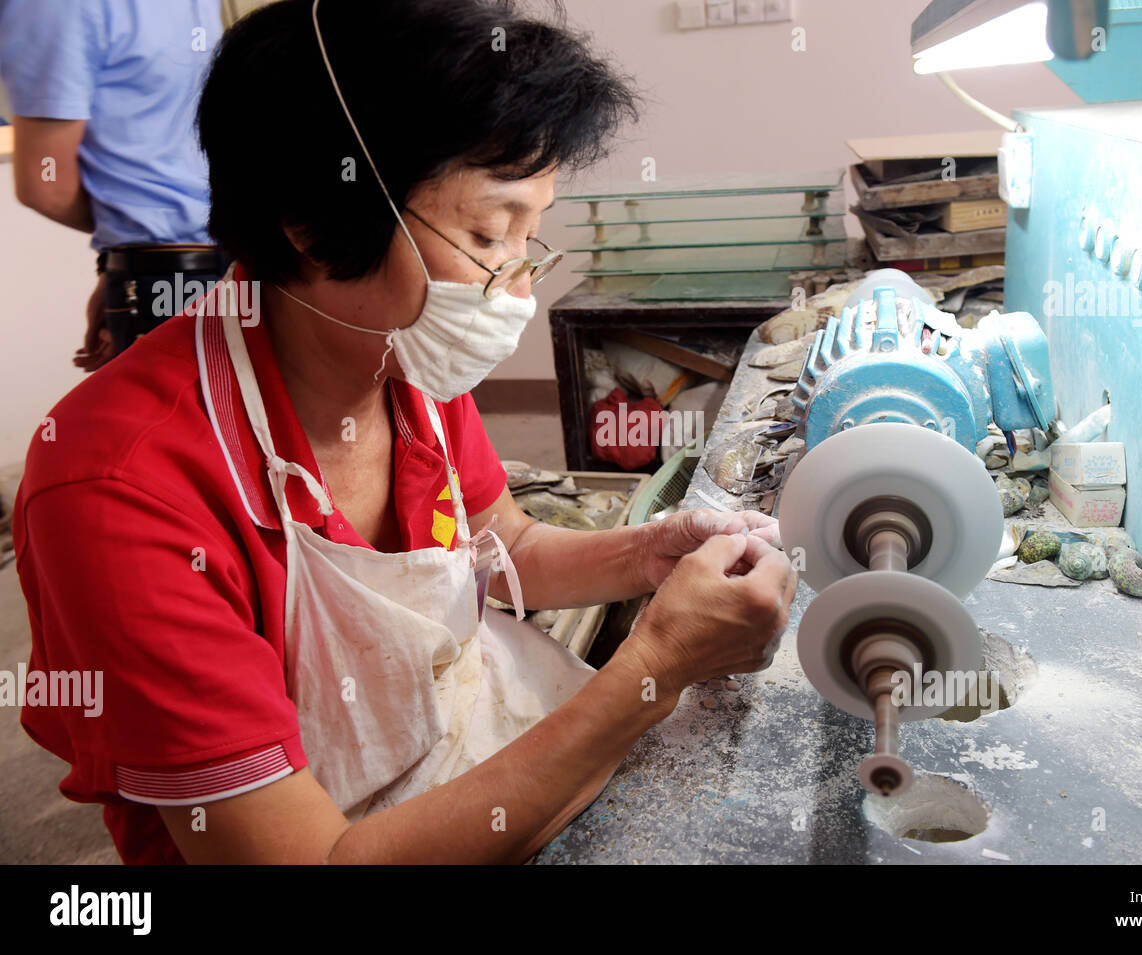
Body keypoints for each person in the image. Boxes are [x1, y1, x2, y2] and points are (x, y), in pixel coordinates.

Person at [13, 0, 796, 865]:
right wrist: (655, 666)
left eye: (531, 236)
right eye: (489, 234)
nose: (515, 283)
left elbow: (508, 546)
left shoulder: (400, 358)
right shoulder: (119, 488)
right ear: (311, 223)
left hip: (461, 756)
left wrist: (648, 552)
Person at [0, 0, 227, 368]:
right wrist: (132, 253)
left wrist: (128, 251)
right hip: (176, 275)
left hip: (234, 263)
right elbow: (46, 181)